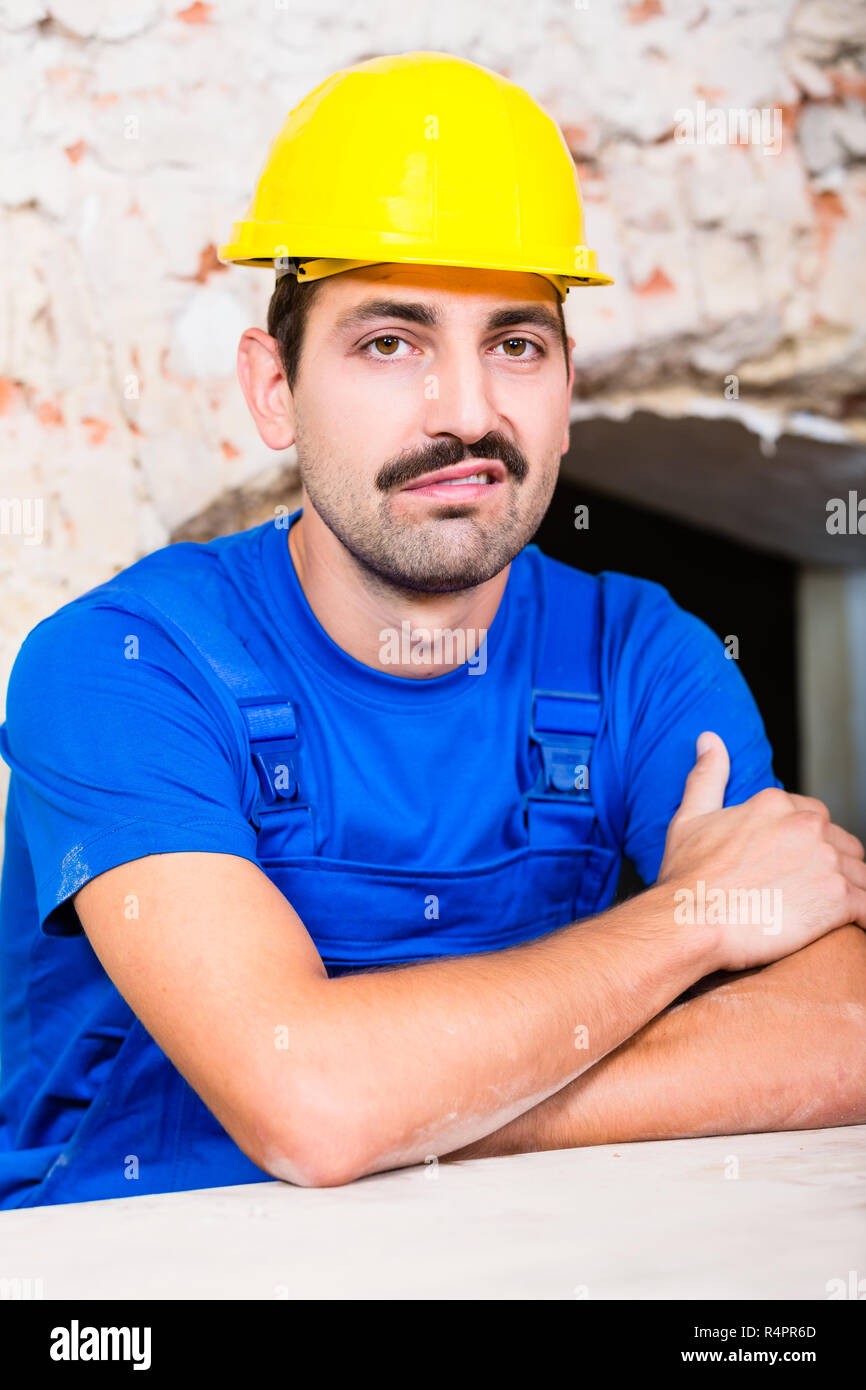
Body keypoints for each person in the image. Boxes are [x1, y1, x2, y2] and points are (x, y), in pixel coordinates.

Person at [1, 52, 864, 1210]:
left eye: (515, 343)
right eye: (388, 342)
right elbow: (312, 1107)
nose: (465, 412)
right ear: (273, 389)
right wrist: (682, 922)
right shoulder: (118, 669)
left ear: (565, 387)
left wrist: (405, 1107)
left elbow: (838, 1033)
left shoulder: (642, 658)